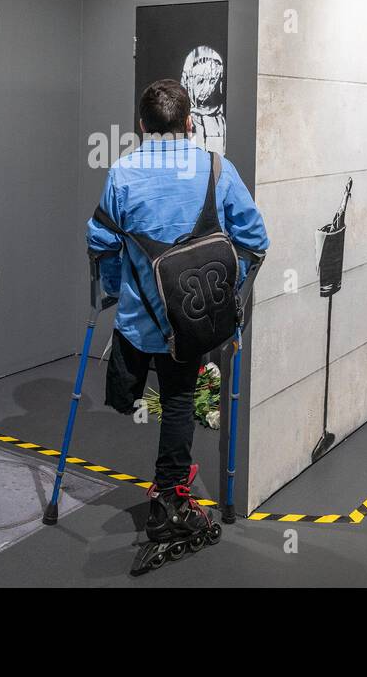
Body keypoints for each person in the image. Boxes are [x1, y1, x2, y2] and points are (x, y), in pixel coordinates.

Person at [86, 78, 268, 548]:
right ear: (190, 123)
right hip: (190, 326)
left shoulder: (122, 174)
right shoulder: (217, 170)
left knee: (128, 394)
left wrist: (111, 291)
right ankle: (169, 498)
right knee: (180, 402)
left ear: (142, 126)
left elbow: (101, 243)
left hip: (136, 322)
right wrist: (227, 295)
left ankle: (128, 403)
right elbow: (255, 241)